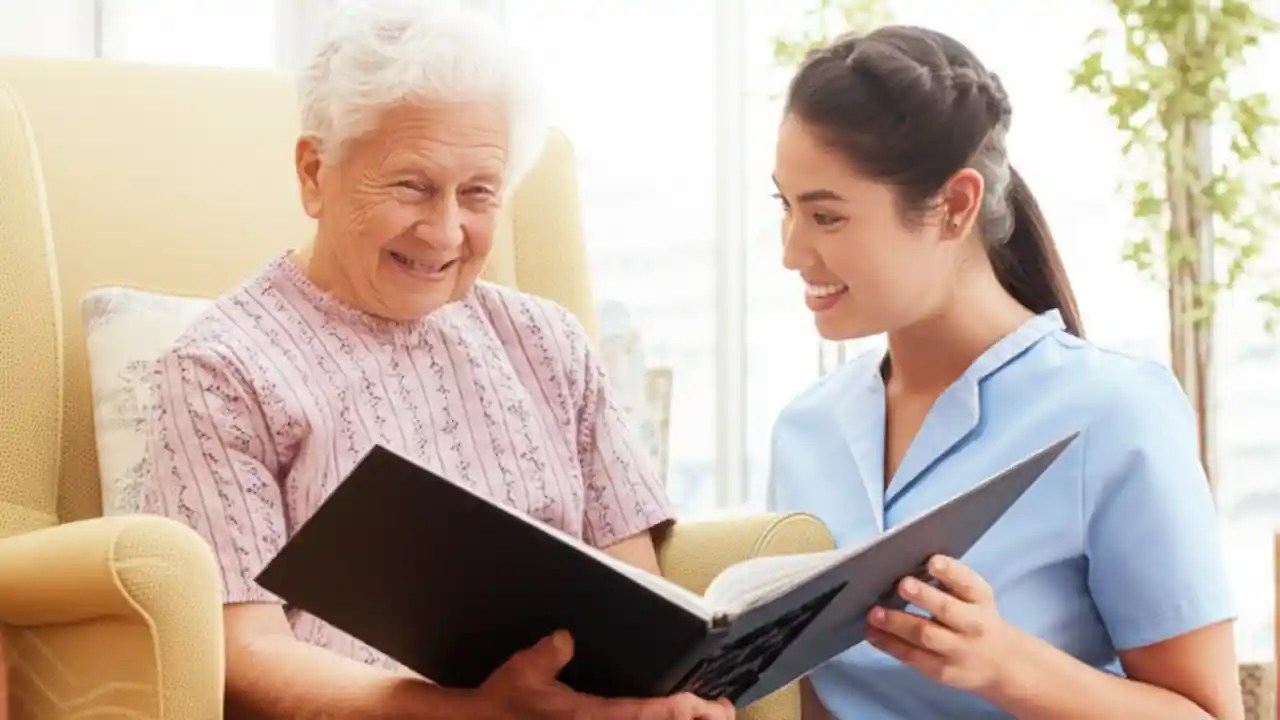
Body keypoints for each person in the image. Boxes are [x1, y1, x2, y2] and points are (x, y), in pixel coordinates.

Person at [140, 2, 733, 718]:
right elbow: (245, 654)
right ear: (314, 172)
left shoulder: (547, 342)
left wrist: (653, 700)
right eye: (412, 185)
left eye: (478, 192)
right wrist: (473, 711)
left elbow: (639, 596)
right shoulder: (220, 368)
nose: (446, 230)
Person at [767, 25, 1244, 720]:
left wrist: (1003, 665)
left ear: (955, 205)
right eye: (785, 206)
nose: (791, 251)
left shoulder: (1112, 414)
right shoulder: (804, 432)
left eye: (827, 215)